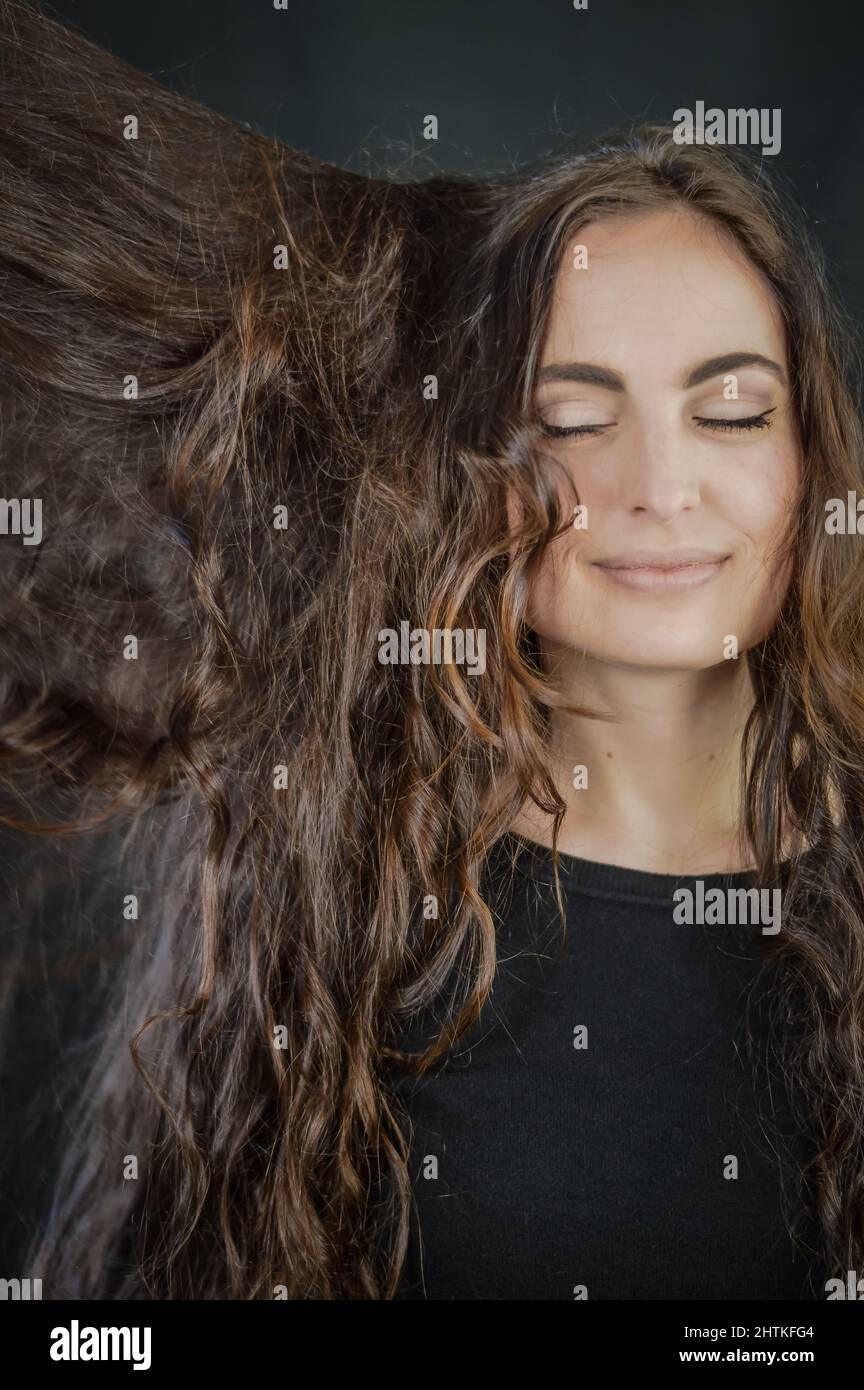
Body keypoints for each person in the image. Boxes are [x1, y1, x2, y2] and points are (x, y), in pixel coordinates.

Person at [1, 0, 862, 1300]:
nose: (659, 485)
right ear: (473, 476)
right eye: (572, 418)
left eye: (733, 409)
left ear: (814, 453)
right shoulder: (342, 895)